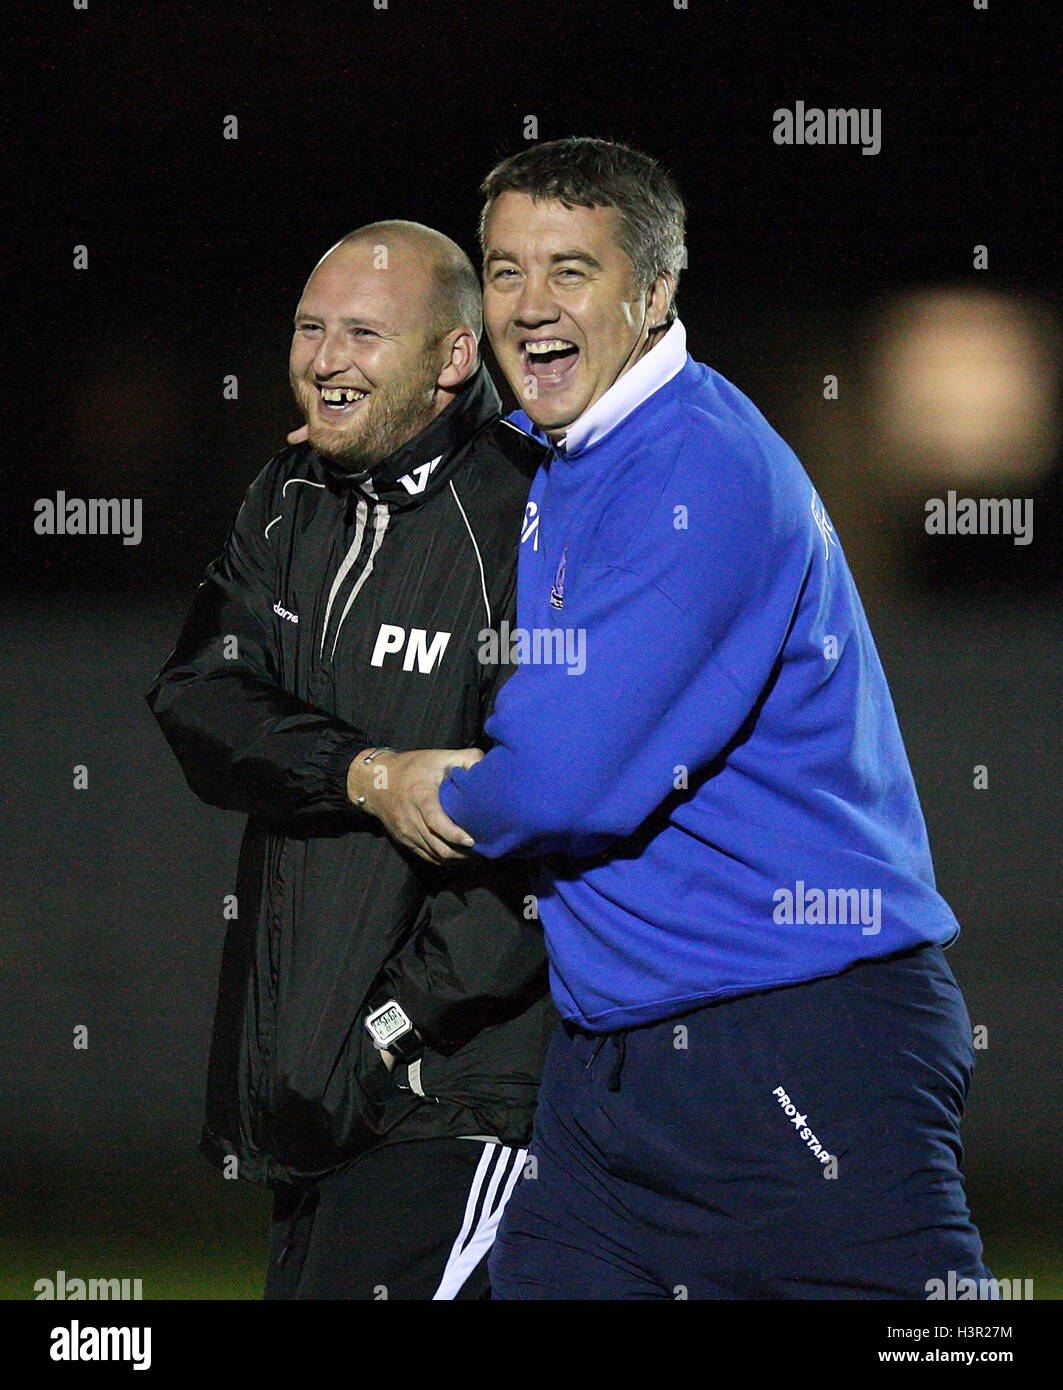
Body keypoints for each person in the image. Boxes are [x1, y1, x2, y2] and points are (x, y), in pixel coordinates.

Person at [388, 138, 992, 1299]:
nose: (530, 305)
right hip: (611, 1067)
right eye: (504, 271)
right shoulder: (572, 449)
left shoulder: (695, 471)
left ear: (655, 291)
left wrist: (414, 783)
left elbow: (560, 778)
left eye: (570, 270)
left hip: (795, 1036)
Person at [146, 221, 555, 1300]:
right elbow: (197, 700)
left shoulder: (528, 517)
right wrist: (365, 773)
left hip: (456, 1095)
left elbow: (548, 827)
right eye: (309, 328)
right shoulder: (289, 497)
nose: (324, 360)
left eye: (364, 334)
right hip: (307, 1092)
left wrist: (391, 1030)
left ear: (453, 358)